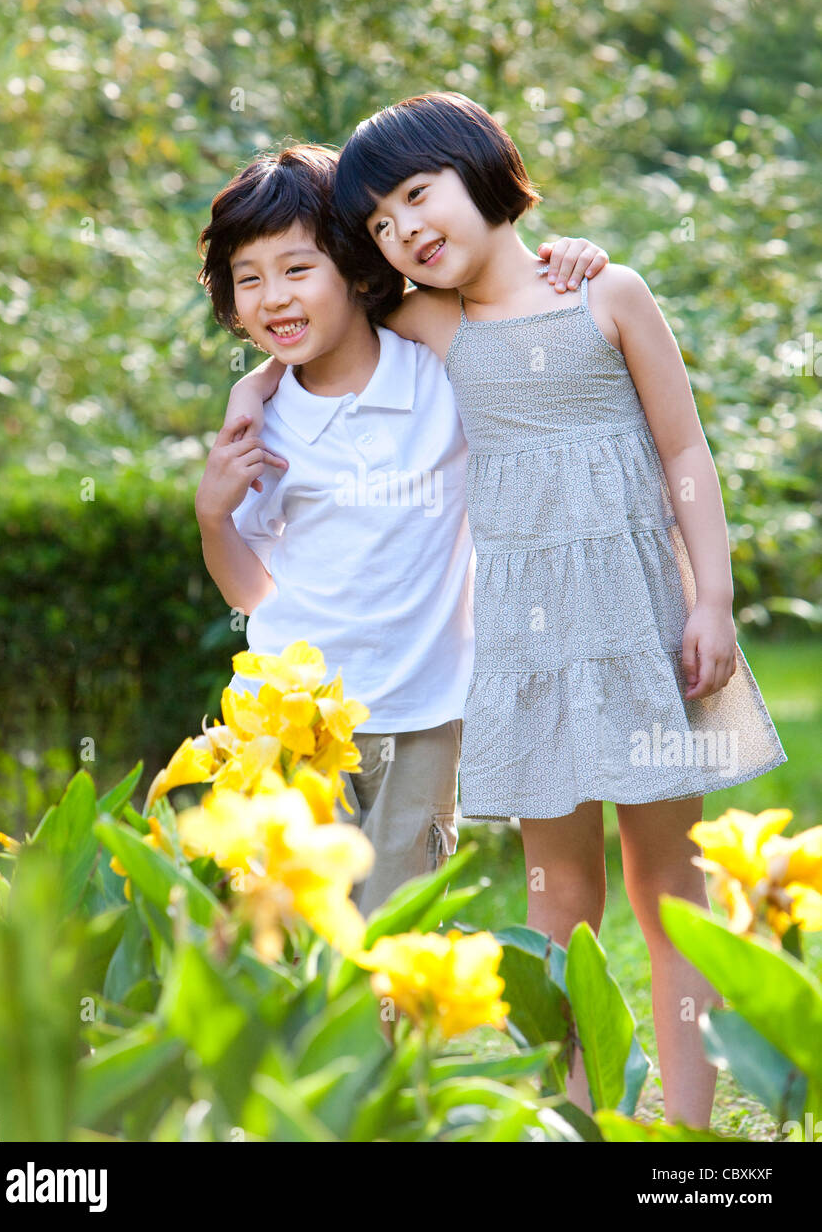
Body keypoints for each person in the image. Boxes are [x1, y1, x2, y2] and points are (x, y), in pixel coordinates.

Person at [330, 91, 786, 1128]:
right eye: (383, 224)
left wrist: (709, 599)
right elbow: (314, 297)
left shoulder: (606, 293)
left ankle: (686, 1130)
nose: (406, 229)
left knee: (668, 883)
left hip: (641, 626)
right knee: (557, 895)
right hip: (529, 645)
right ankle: (577, 1115)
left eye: (417, 193)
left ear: (484, 166)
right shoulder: (427, 319)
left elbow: (683, 452)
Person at [194, 141, 610, 918]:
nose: (273, 297)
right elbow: (252, 591)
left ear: (356, 267)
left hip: (419, 715)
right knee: (290, 923)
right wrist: (214, 515)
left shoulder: (437, 373)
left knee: (392, 921)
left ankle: (386, 1045)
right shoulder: (263, 424)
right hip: (291, 708)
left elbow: (513, 304)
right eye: (248, 280)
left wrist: (575, 258)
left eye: (296, 269)